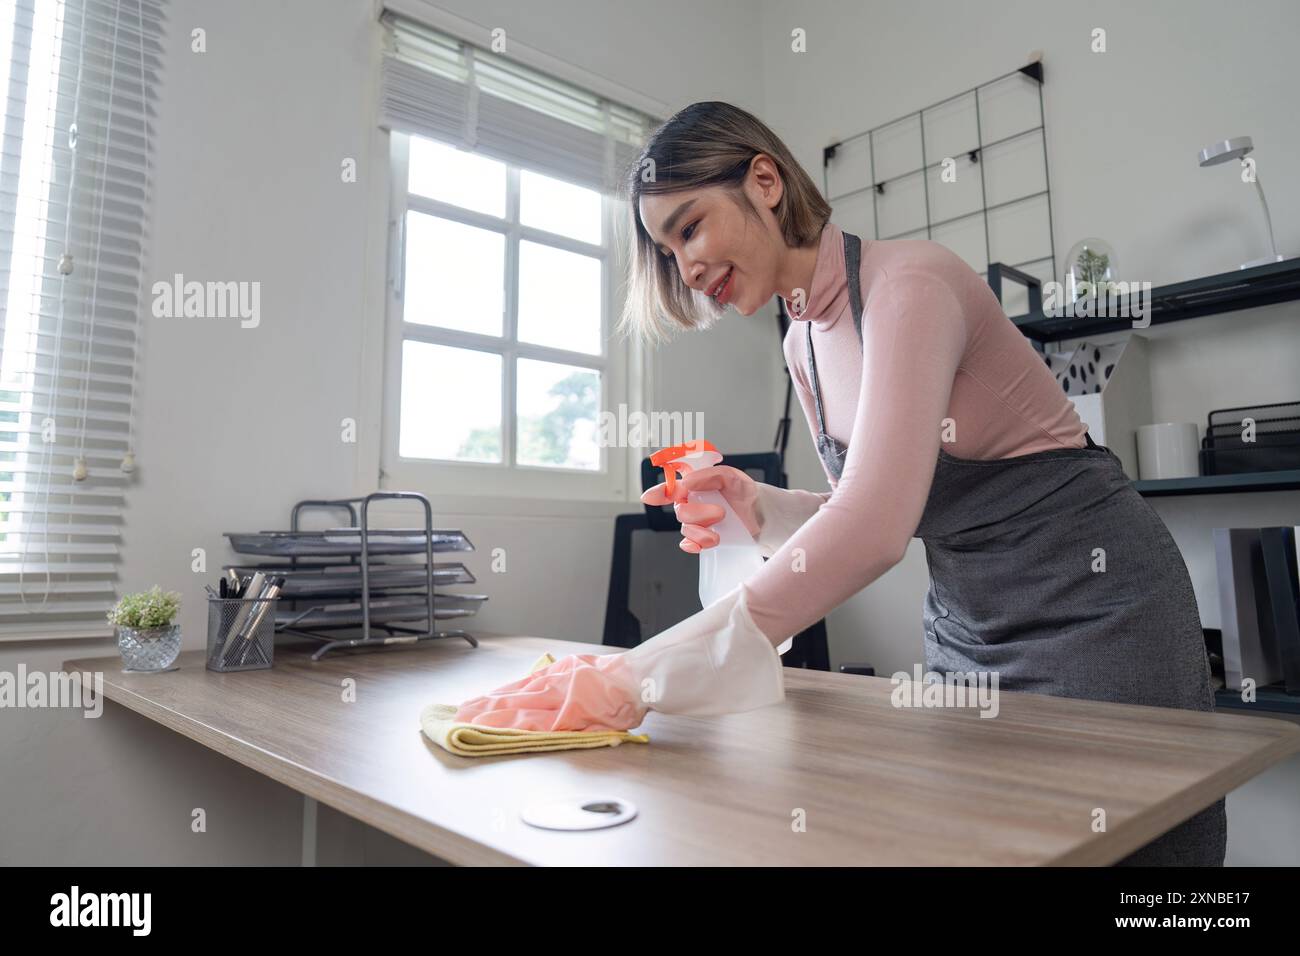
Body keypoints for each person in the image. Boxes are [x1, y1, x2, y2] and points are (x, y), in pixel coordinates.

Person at [454, 101, 1225, 866]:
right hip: (968, 635)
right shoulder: (802, 345)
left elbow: (874, 527)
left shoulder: (912, 285)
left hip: (1097, 616)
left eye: (689, 227)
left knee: (1136, 863)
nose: (684, 268)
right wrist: (756, 507)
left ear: (764, 181)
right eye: (666, 251)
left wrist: (640, 673)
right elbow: (865, 501)